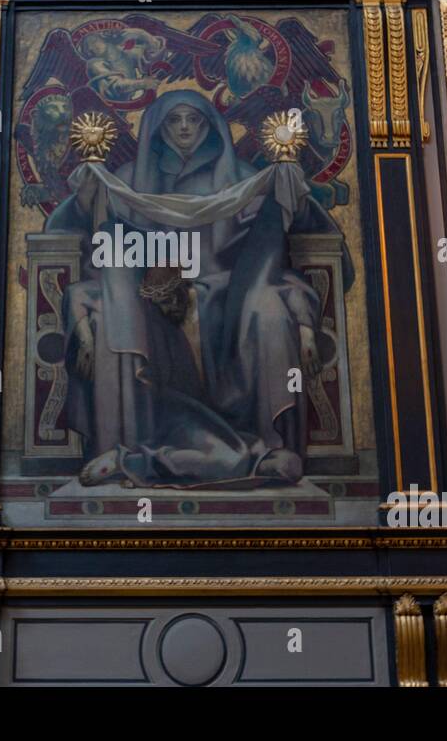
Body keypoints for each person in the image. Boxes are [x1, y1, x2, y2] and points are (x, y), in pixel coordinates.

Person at [46, 89, 352, 489]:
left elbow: (282, 238)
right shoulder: (125, 181)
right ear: (158, 129)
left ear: (211, 126)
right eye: (175, 120)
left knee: (269, 314)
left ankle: (252, 444)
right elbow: (85, 239)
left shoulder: (242, 177)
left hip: (230, 298)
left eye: (194, 119)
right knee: (117, 317)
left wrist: (287, 178)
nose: (185, 127)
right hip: (151, 299)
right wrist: (89, 181)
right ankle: (140, 445)